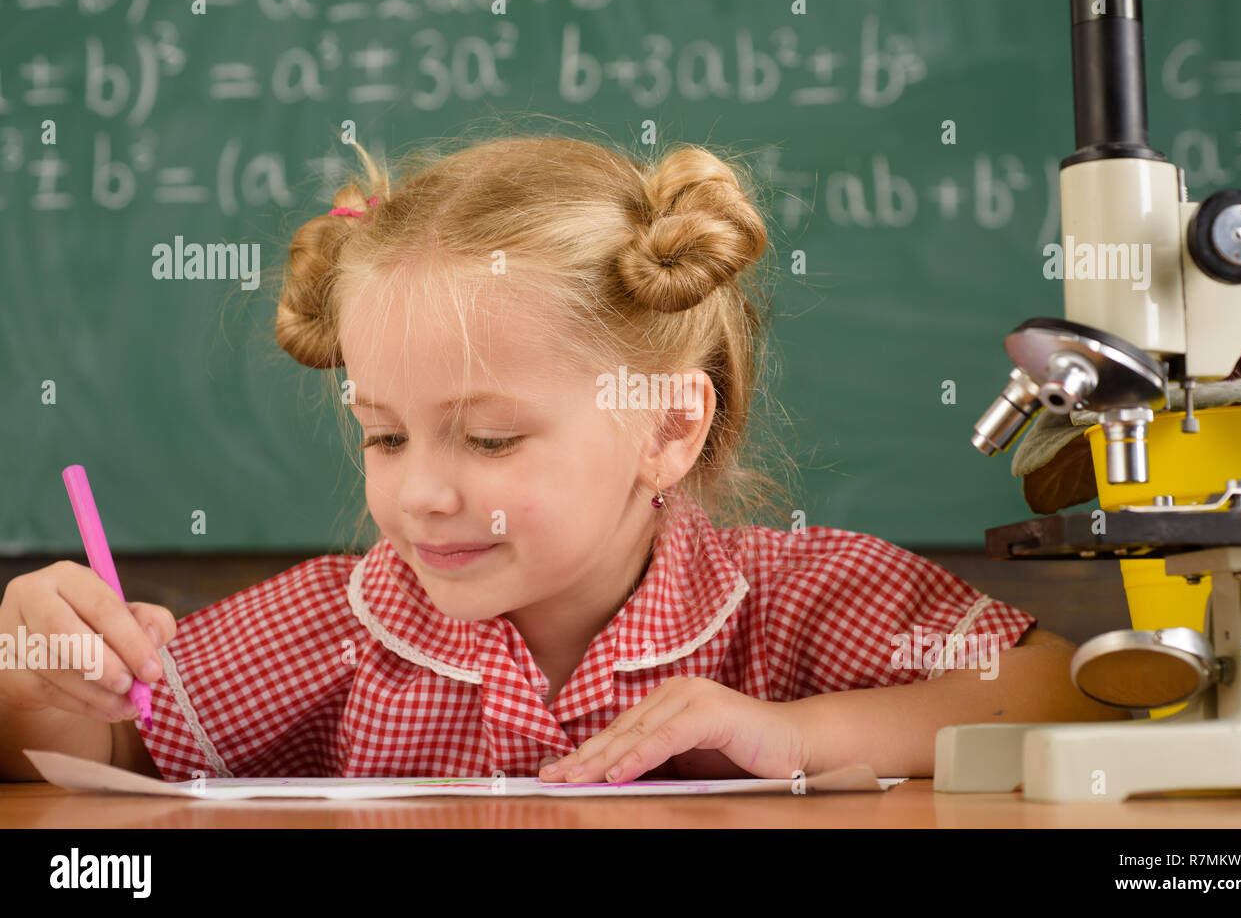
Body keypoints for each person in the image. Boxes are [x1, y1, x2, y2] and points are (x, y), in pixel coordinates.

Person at [0, 134, 1128, 786]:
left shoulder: (792, 596)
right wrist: (37, 669)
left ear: (666, 429)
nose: (420, 491)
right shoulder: (342, 622)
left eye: (489, 438)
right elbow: (102, 748)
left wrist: (791, 733)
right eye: (382, 435)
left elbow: (1059, 692)